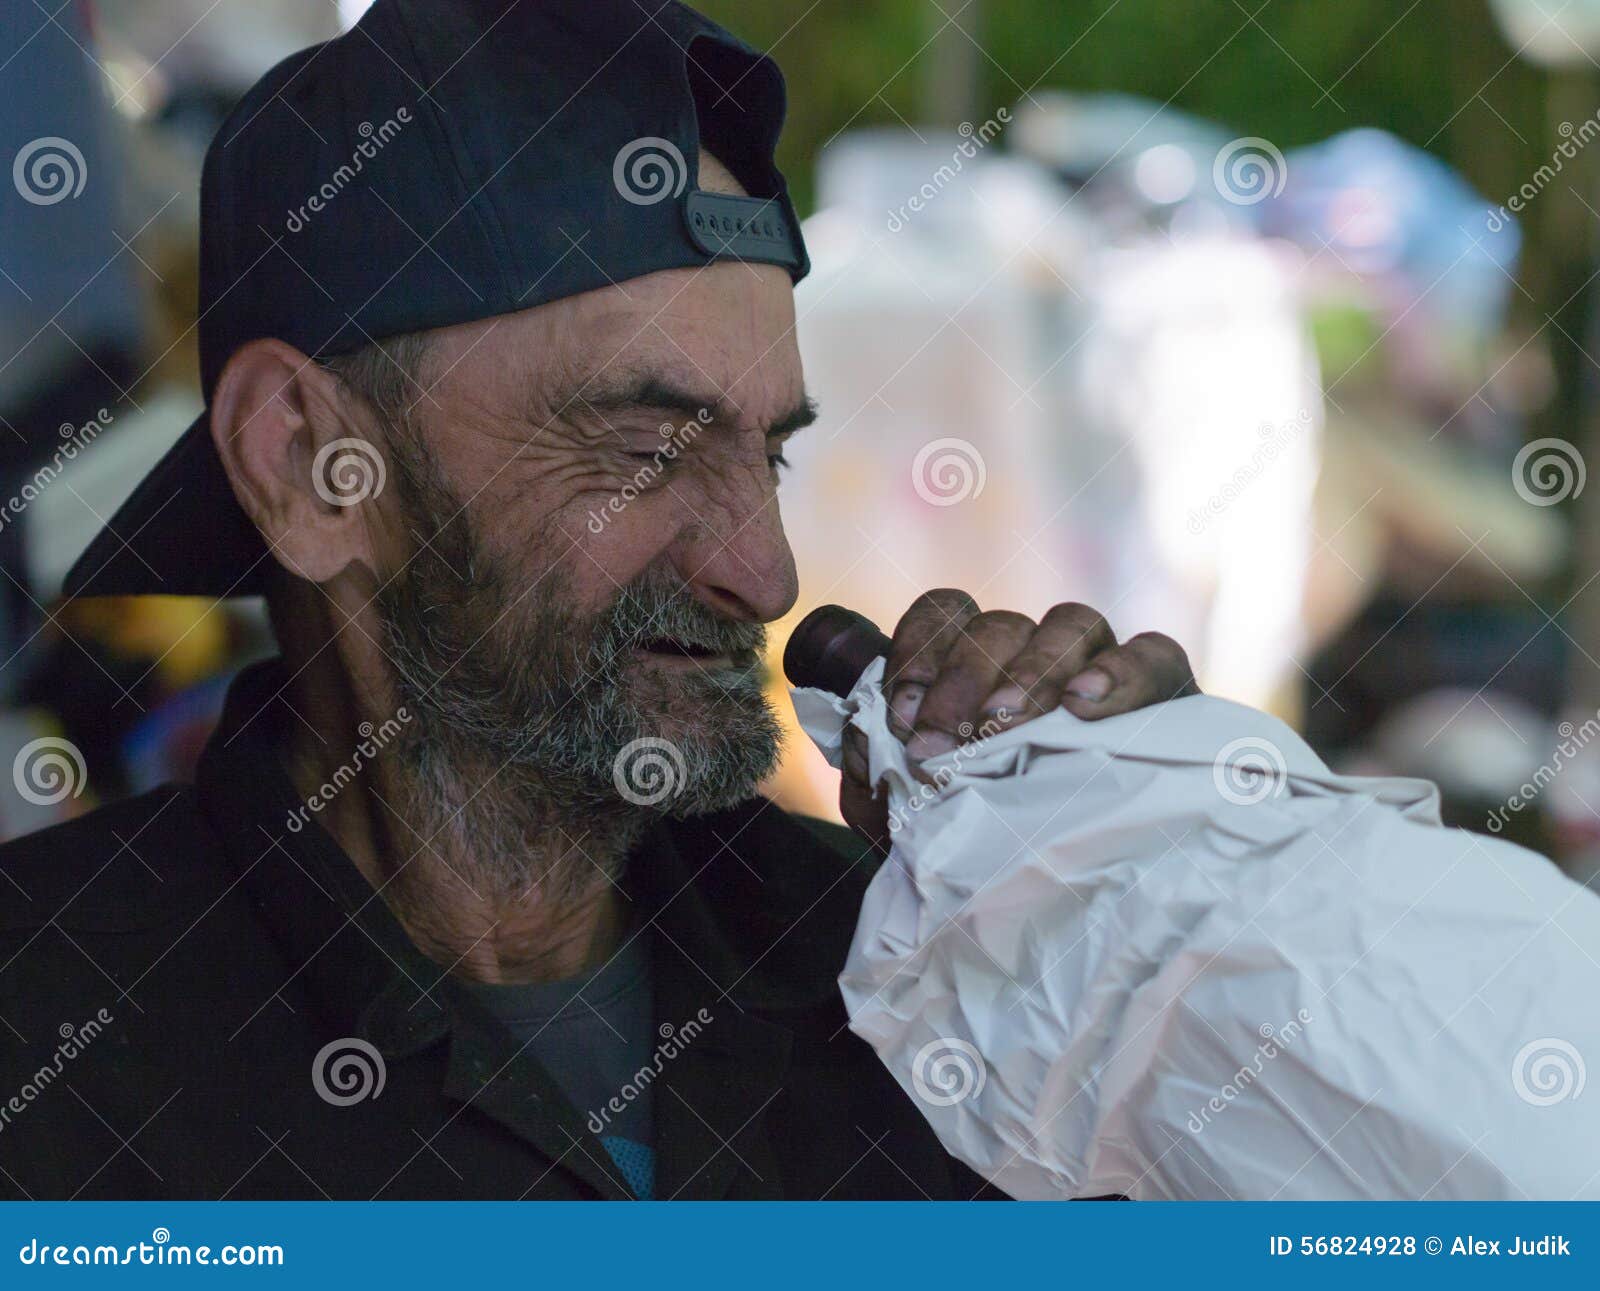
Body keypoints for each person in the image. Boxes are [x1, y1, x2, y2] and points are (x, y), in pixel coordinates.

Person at [0, 0, 1194, 1200]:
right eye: (643, 450)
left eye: (769, 455)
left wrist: (1177, 927)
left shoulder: (920, 972)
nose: (766, 576)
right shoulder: (54, 1050)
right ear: (311, 463)